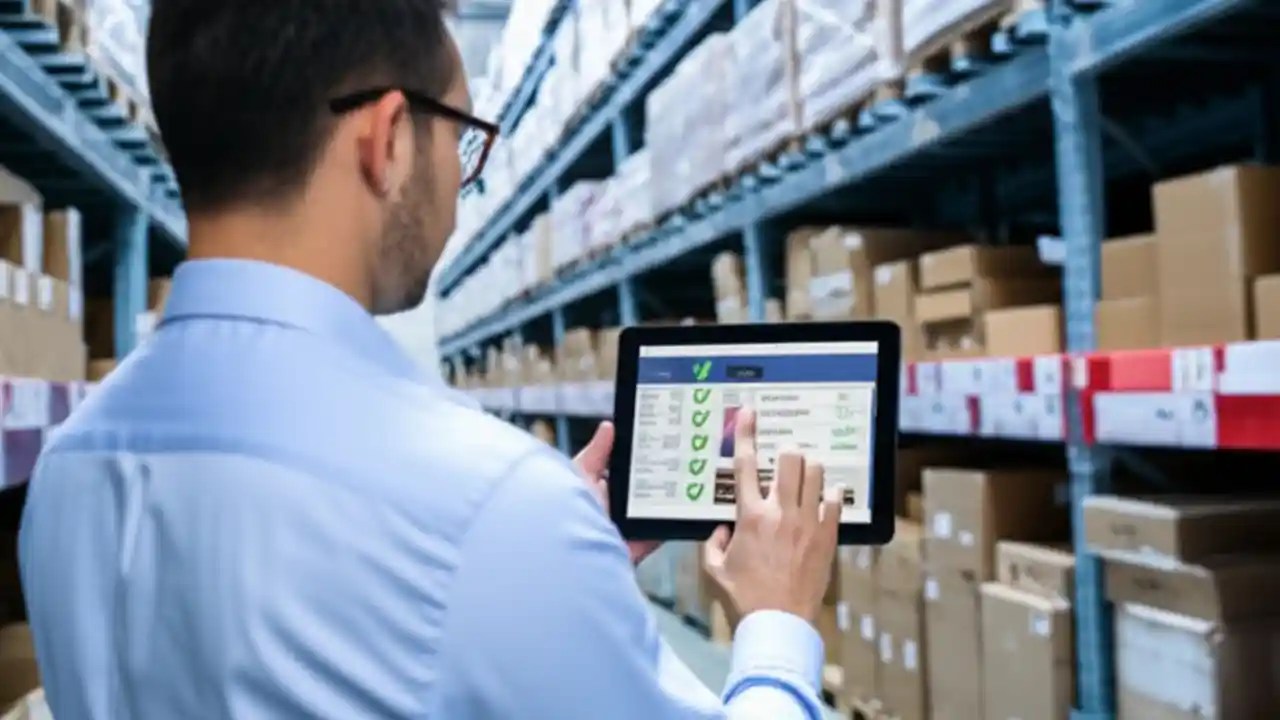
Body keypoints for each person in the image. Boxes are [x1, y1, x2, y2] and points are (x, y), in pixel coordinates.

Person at [17, 2, 843, 718]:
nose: (461, 180)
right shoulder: (491, 507)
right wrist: (777, 622)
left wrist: (557, 570)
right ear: (387, 141)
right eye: (464, 139)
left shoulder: (66, 471)